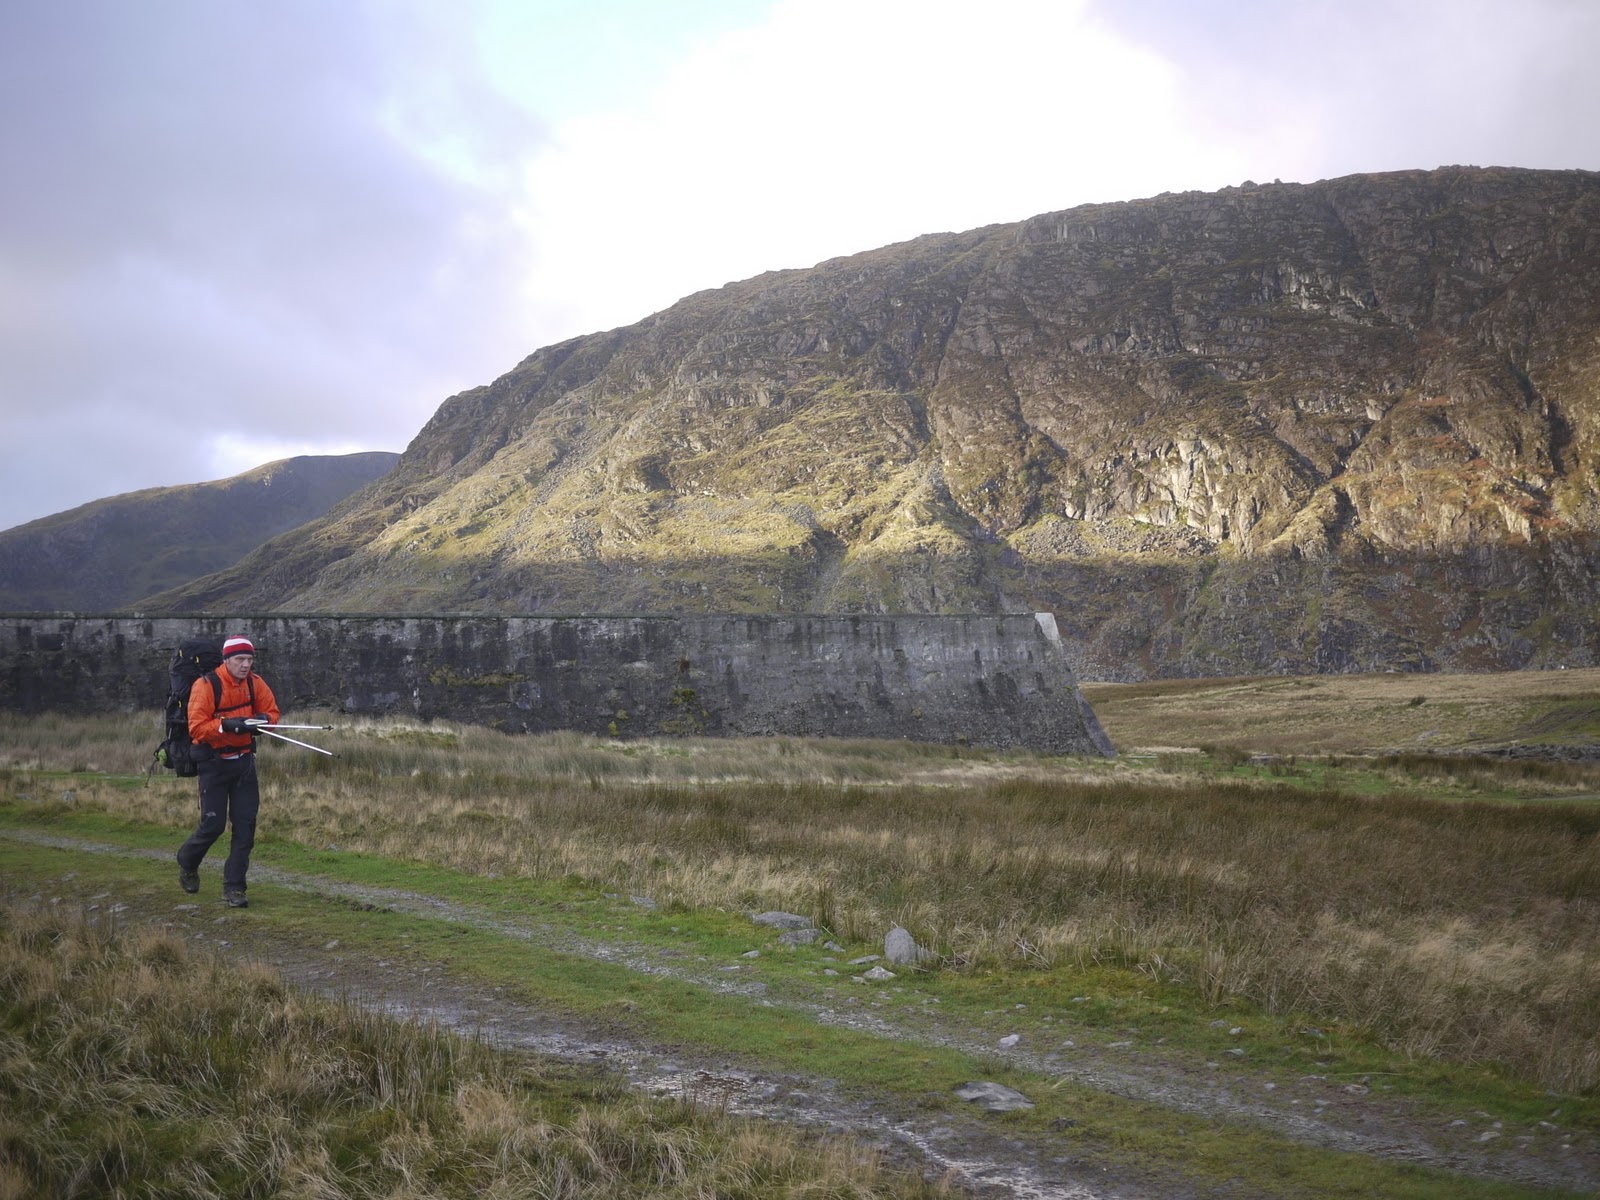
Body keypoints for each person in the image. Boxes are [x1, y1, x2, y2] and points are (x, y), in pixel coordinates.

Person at [176, 636, 280, 907]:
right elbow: (197, 728)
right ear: (226, 660)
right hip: (214, 765)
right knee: (213, 826)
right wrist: (227, 725)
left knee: (245, 829)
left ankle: (235, 889)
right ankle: (187, 862)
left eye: (249, 659)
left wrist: (262, 721)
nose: (246, 665)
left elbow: (273, 713)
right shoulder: (206, 685)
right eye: (240, 660)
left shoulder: (255, 683)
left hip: (244, 763)